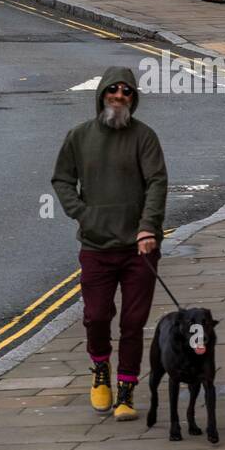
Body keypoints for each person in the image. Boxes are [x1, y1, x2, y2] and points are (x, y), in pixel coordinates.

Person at [52, 67, 168, 422]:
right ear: (101, 94)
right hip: (96, 247)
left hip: (139, 249)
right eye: (113, 90)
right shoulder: (79, 136)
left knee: (133, 323)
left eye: (127, 92)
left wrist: (148, 228)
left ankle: (127, 391)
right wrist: (84, 215)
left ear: (134, 98)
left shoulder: (144, 137)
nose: (119, 96)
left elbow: (157, 183)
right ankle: (100, 367)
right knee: (97, 316)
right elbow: (62, 179)